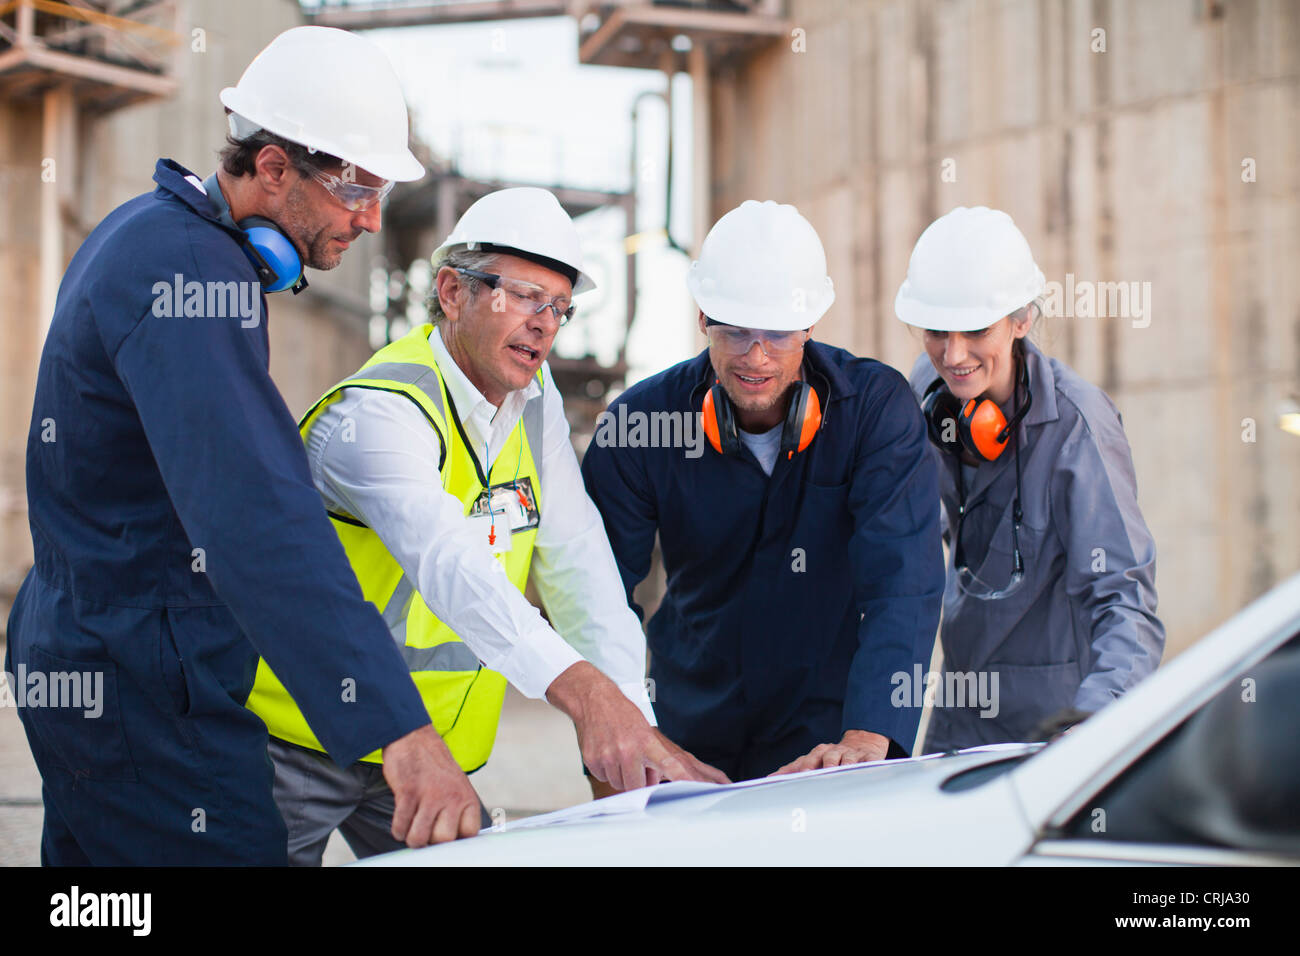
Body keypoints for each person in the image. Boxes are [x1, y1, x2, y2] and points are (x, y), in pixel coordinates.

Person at [5, 26, 480, 865]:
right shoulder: (193, 273)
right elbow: (257, 518)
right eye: (356, 190)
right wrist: (397, 728)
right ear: (271, 168)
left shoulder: (147, 235)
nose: (372, 220)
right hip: (146, 690)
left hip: (96, 653)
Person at [244, 187, 728, 864]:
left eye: (559, 306)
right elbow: (449, 565)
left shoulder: (534, 405)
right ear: (450, 292)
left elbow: (578, 564)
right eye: (526, 296)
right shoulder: (378, 413)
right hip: (295, 741)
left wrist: (632, 736)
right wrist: (584, 692)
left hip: (427, 757)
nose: (545, 324)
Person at [580, 200, 945, 785]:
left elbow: (903, 577)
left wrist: (872, 731)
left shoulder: (875, 411)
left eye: (777, 333)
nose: (756, 356)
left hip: (827, 728)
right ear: (702, 316)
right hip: (686, 721)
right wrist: (627, 733)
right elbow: (595, 597)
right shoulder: (636, 427)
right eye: (734, 331)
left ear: (810, 325)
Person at [895, 205, 1165, 751]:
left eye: (975, 329)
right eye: (935, 331)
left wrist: (1090, 731)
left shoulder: (1077, 428)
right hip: (957, 718)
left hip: (1050, 734)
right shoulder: (926, 388)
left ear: (1021, 321)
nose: (954, 354)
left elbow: (1124, 601)